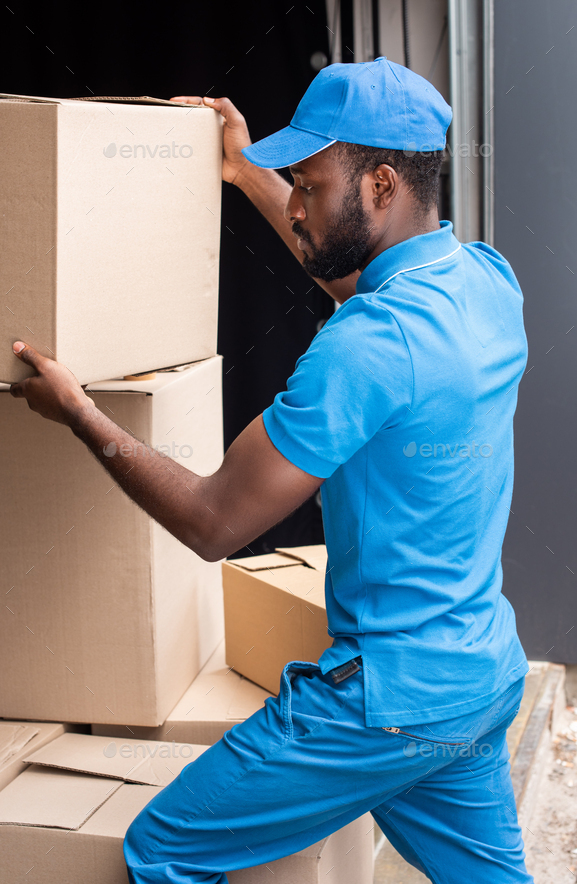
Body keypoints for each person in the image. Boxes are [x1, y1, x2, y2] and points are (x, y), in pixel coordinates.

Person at [9, 58, 533, 883]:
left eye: (309, 188)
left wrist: (82, 414)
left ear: (381, 186)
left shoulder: (362, 346)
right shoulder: (488, 283)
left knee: (163, 848)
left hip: (384, 706)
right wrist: (244, 171)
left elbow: (213, 523)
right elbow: (364, 289)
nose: (294, 204)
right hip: (480, 674)